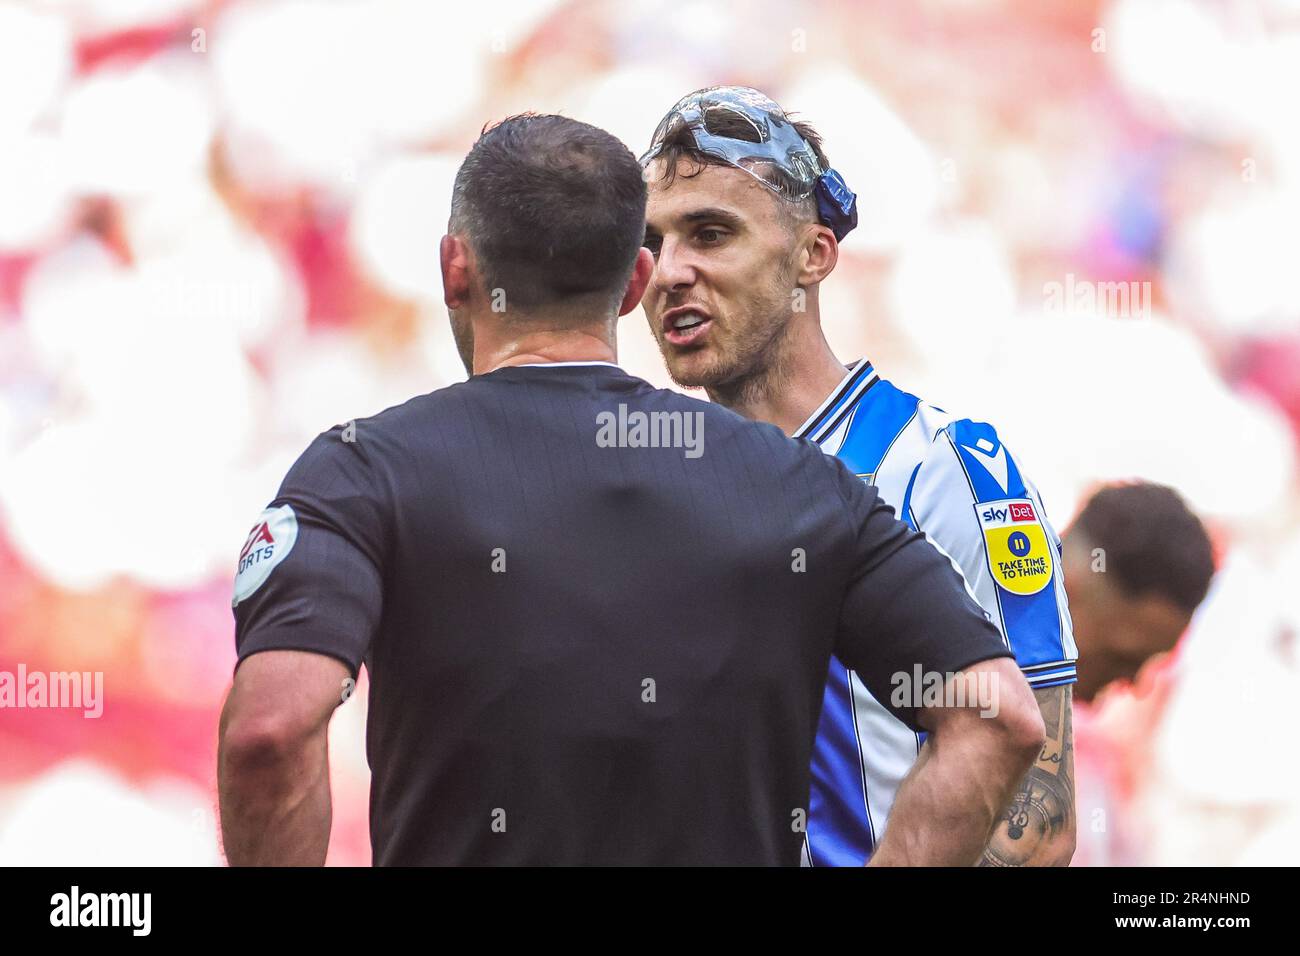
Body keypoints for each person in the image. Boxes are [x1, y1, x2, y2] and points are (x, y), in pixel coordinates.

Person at [217, 113, 1044, 866]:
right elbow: (999, 717)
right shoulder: (805, 487)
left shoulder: (362, 472)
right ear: (636, 280)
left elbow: (270, 729)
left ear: (455, 268)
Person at [640, 87, 1078, 866]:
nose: (669, 272)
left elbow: (1038, 819)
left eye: (711, 234)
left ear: (814, 254)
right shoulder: (656, 481)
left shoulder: (947, 469)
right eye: (653, 242)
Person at [1059, 481, 1215, 865]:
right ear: (1066, 588)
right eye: (1121, 655)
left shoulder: (1088, 769)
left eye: (1148, 660)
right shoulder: (936, 710)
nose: (1134, 683)